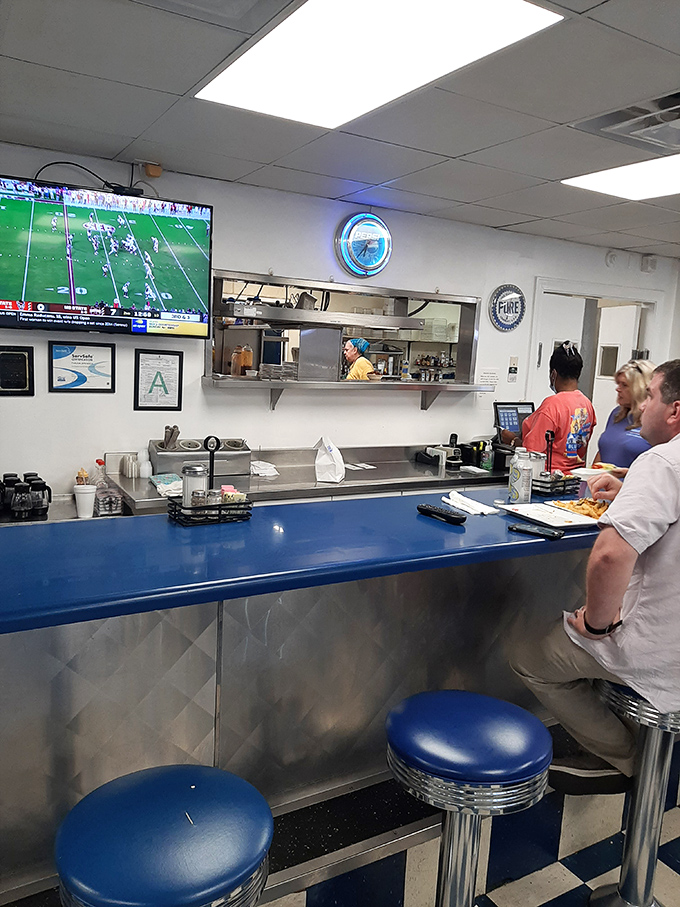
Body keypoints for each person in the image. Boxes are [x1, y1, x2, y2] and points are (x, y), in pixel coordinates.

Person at [509, 360, 680, 795]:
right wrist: (630, 498)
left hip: (661, 654)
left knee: (529, 655)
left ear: (675, 411)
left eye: (652, 398)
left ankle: (625, 759)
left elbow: (609, 556)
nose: (642, 410)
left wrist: (597, 624)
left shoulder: (662, 461)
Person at [502, 341, 596, 473]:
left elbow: (532, 453)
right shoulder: (587, 405)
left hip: (549, 481)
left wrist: (512, 440)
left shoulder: (552, 406)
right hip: (575, 479)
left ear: (554, 374)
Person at [593, 359, 655, 470]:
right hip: (602, 484)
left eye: (624, 385)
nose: (618, 389)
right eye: (618, 384)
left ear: (640, 388)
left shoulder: (654, 420)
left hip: (630, 484)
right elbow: (604, 451)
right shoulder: (616, 414)